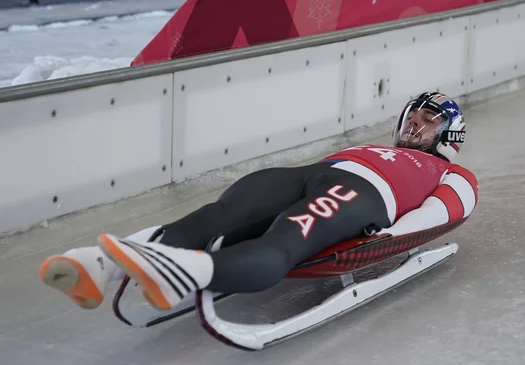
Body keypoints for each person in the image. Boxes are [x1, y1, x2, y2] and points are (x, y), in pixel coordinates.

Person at [39, 91, 478, 312]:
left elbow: (439, 213)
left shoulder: (453, 174)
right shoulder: (376, 146)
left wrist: (389, 238)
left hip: (362, 196)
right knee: (221, 214)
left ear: (448, 137)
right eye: (413, 118)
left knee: (283, 241)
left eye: (427, 123)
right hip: (311, 173)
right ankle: (101, 265)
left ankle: (186, 274)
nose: (415, 128)